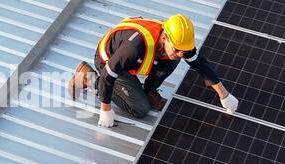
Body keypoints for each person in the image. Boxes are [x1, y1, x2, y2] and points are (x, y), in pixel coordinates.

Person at [69, 13, 237, 127]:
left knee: (173, 61)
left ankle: (149, 91)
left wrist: (224, 95)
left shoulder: (180, 44)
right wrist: (105, 109)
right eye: (177, 49)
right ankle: (87, 77)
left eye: (183, 51)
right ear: (165, 38)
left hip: (133, 61)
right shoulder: (136, 46)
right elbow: (108, 75)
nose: (180, 54)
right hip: (109, 62)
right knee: (140, 109)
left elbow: (200, 64)